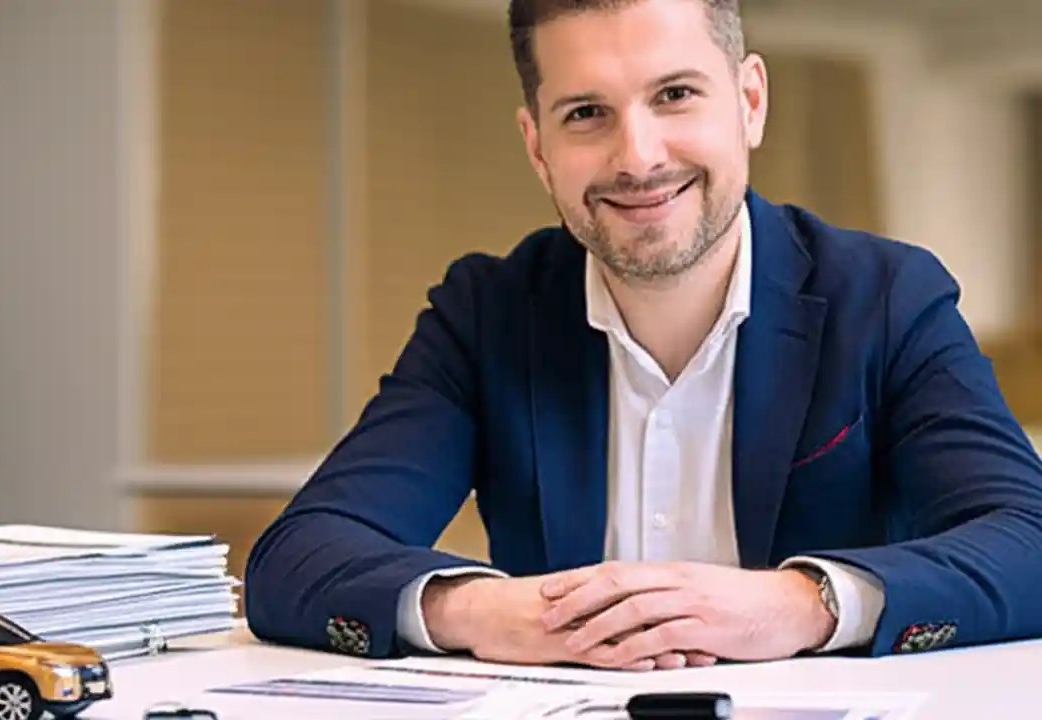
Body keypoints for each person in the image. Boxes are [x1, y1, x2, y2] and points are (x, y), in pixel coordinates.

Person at [244, 0, 1042, 672]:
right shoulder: (486, 314)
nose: (639, 157)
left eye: (675, 95)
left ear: (750, 101)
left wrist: (804, 603)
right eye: (587, 113)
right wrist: (479, 610)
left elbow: (1028, 542)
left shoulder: (887, 297)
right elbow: (297, 557)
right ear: (537, 146)